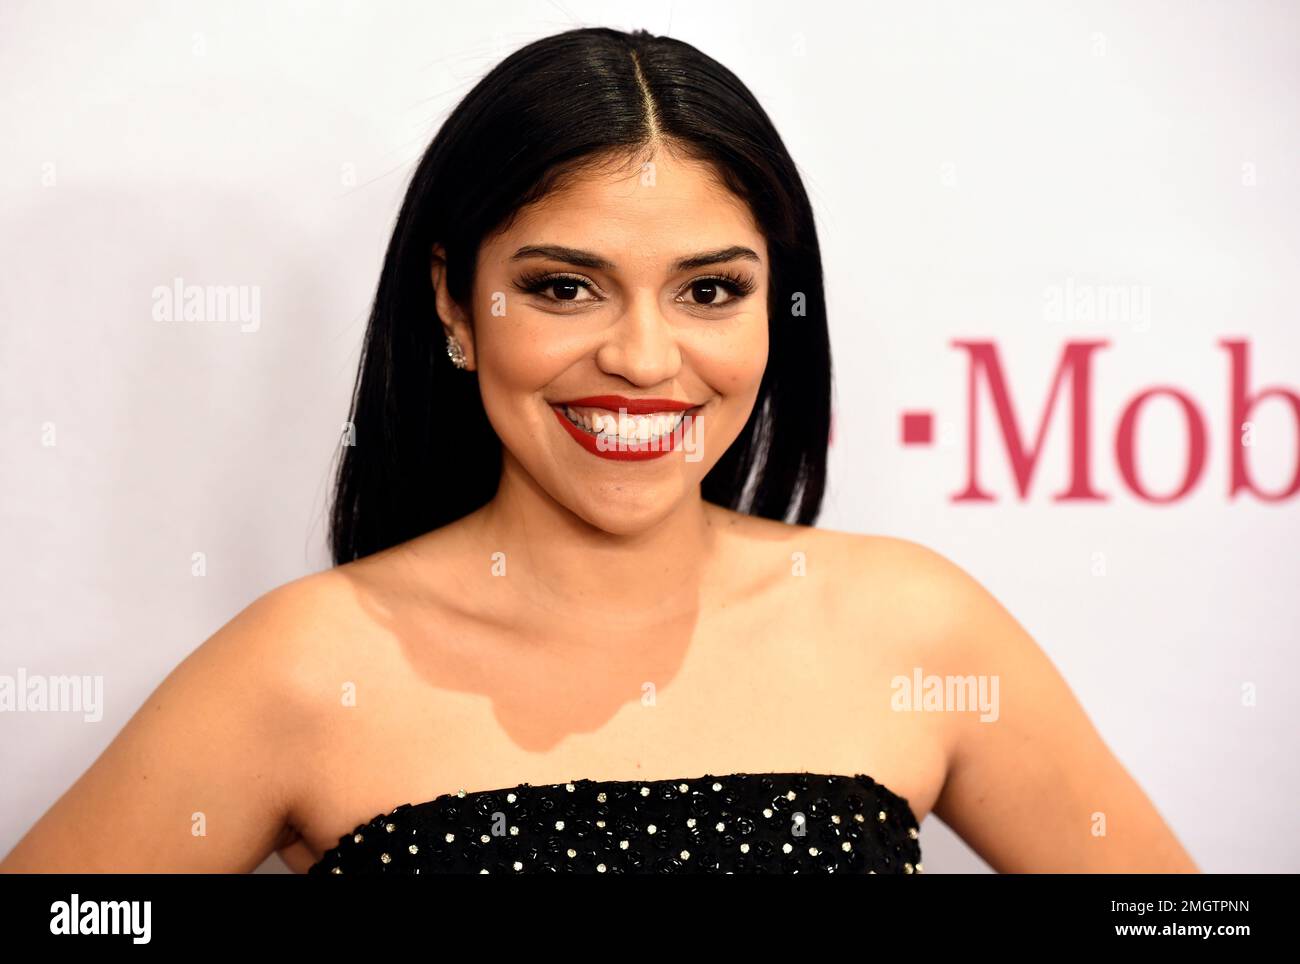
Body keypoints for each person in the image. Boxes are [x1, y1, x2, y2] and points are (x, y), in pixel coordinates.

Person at [1, 26, 1197, 874]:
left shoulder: (912, 628)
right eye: (565, 287)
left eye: (709, 291)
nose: (640, 356)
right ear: (457, 308)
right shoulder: (304, 668)